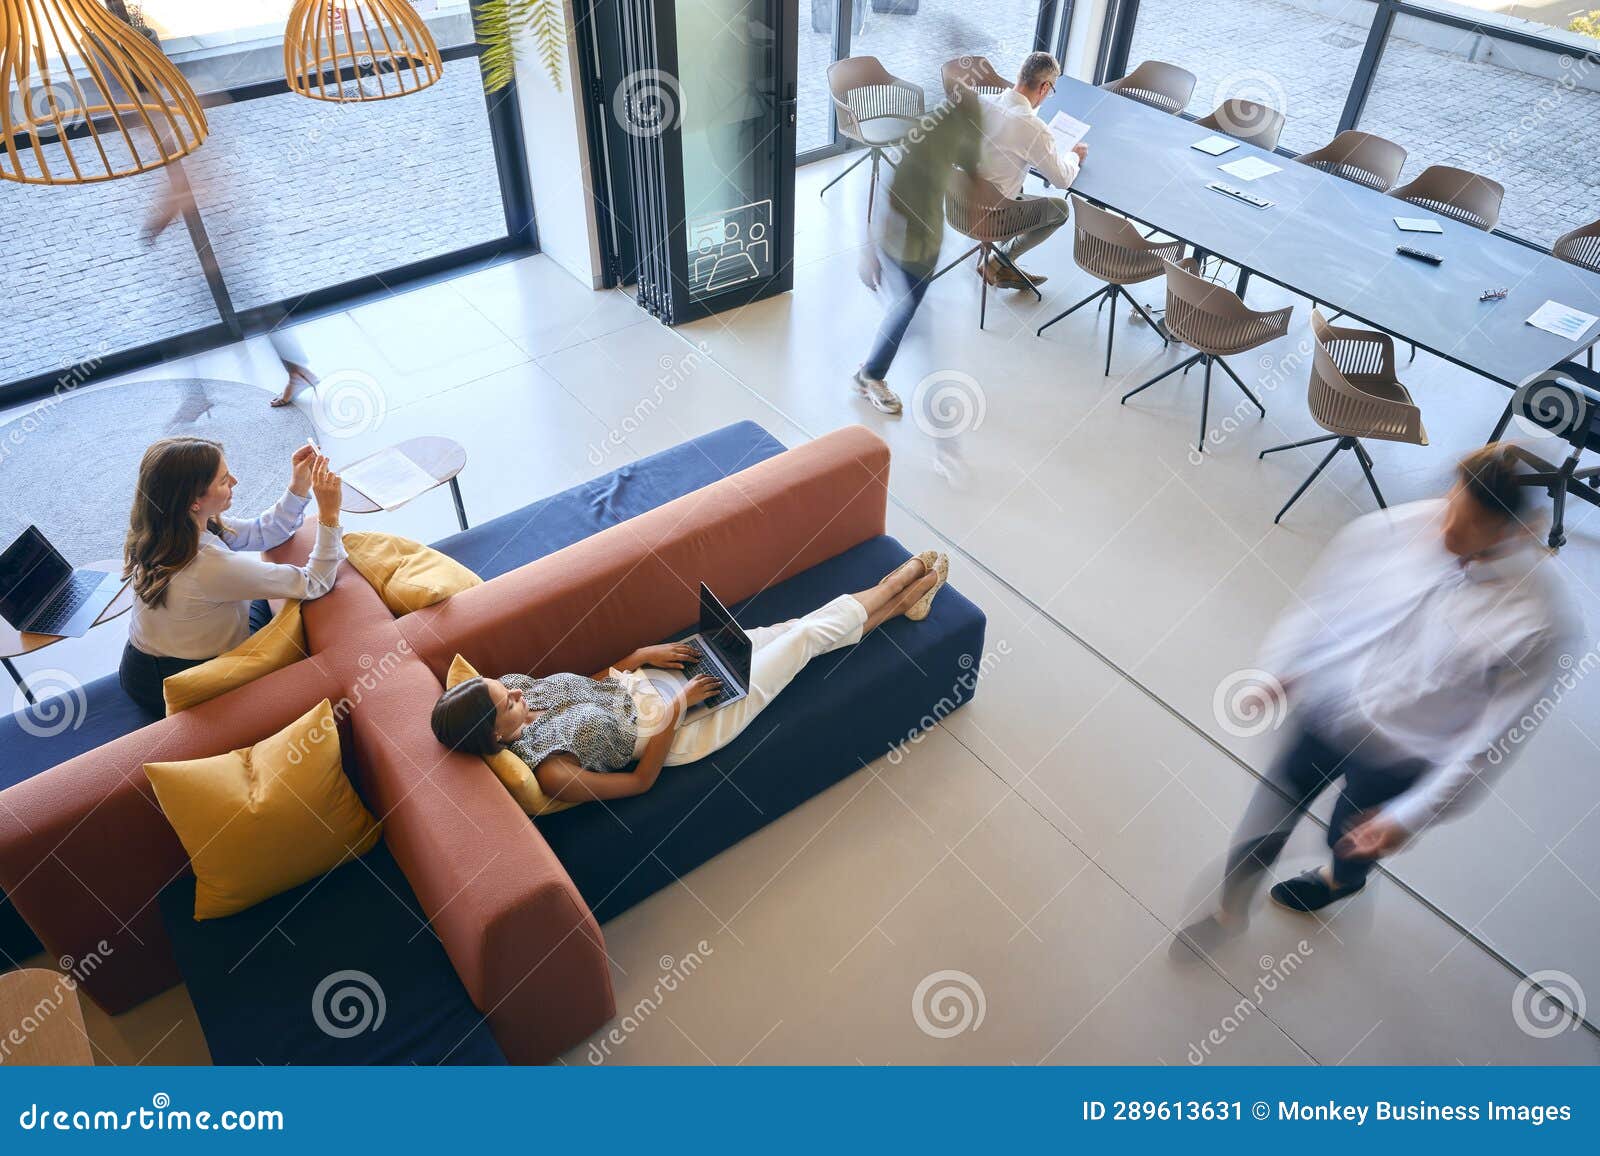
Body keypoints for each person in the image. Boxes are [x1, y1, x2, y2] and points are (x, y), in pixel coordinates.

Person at [1177, 445, 1580, 956]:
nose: (1446, 527)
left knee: (1350, 840)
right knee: (1267, 819)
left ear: (1513, 531)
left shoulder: (1540, 622)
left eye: (1469, 522)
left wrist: (1407, 817)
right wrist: (1284, 667)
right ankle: (1229, 913)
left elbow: (1491, 741)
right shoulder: (1398, 528)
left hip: (1403, 754)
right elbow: (1324, 602)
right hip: (1329, 713)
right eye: (1450, 502)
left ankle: (1339, 879)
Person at [431, 551, 950, 803]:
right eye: (507, 701)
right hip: (685, 726)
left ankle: (904, 601)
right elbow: (638, 783)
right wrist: (678, 707)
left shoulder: (523, 694)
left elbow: (590, 683)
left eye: (506, 685)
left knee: (789, 629)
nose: (517, 689)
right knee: (803, 642)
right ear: (495, 736)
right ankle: (899, 586)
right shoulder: (550, 773)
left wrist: (637, 655)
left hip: (655, 682)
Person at [119, 437, 346, 715]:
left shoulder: (165, 526)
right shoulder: (207, 565)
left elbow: (262, 533)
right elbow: (316, 582)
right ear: (193, 502)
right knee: (297, 610)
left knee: (272, 597)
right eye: (224, 480)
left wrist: (299, 486)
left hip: (139, 665)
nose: (235, 482)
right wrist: (329, 514)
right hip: (178, 680)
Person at [853, 89, 981, 415]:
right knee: (908, 311)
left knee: (909, 310)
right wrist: (871, 252)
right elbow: (890, 197)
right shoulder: (925, 141)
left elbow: (970, 170)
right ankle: (870, 374)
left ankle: (871, 370)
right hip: (907, 244)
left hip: (929, 240)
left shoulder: (962, 126)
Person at [972, 51, 1087, 290]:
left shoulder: (979, 101)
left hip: (961, 203)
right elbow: (1062, 179)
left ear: (1020, 75)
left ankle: (1001, 260)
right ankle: (998, 261)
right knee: (1060, 208)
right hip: (993, 215)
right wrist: (1074, 156)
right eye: (1052, 89)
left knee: (1014, 177)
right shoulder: (1033, 128)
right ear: (1045, 87)